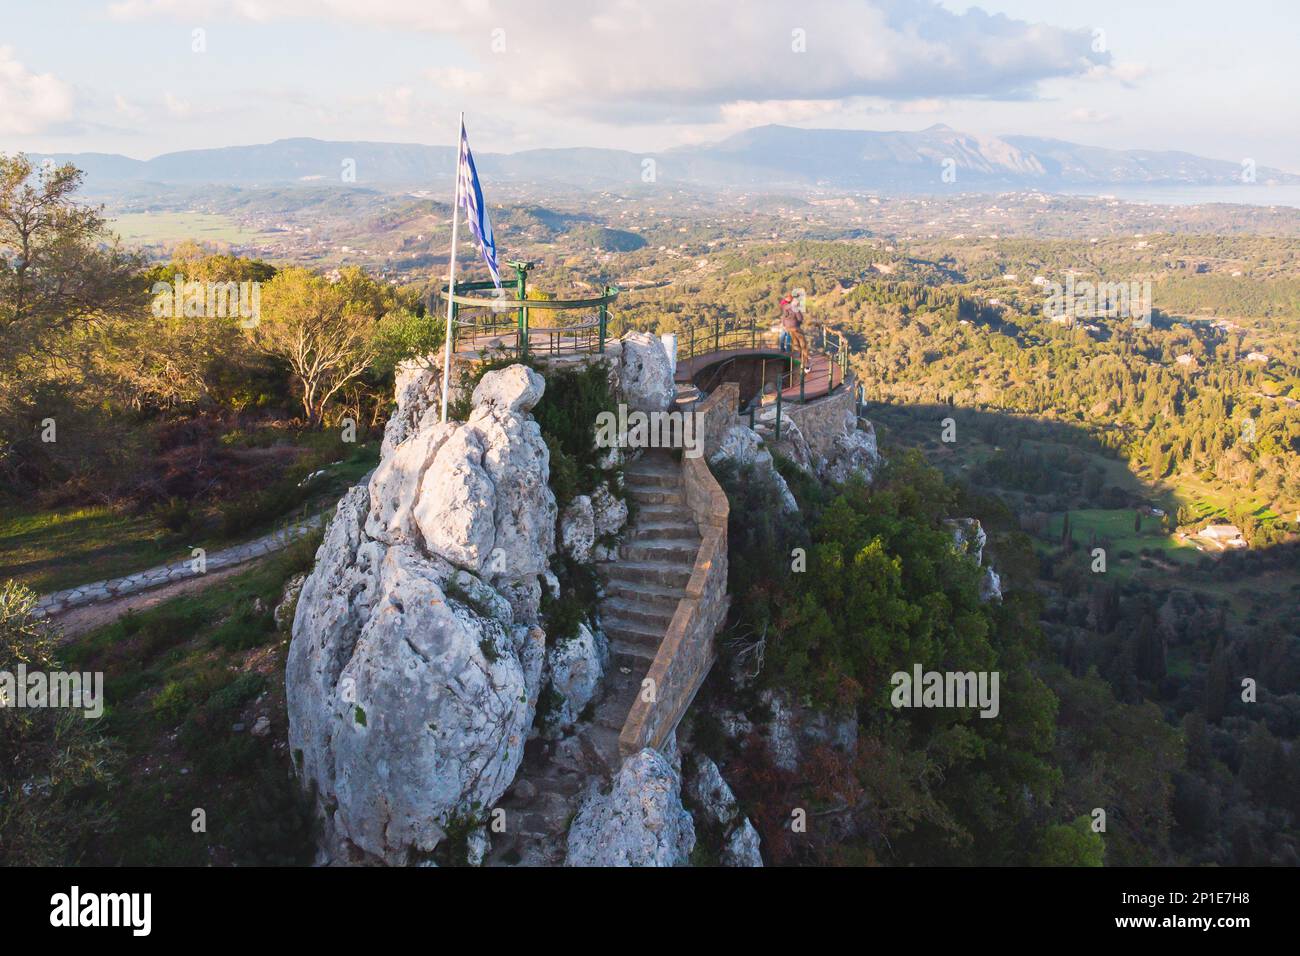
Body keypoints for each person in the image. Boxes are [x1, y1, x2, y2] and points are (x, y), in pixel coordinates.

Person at [780, 294, 809, 368]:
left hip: (787, 327)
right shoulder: (795, 308)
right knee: (803, 342)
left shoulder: (784, 307)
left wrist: (784, 325)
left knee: (794, 342)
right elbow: (800, 318)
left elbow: (783, 317)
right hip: (795, 327)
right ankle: (805, 359)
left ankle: (794, 352)